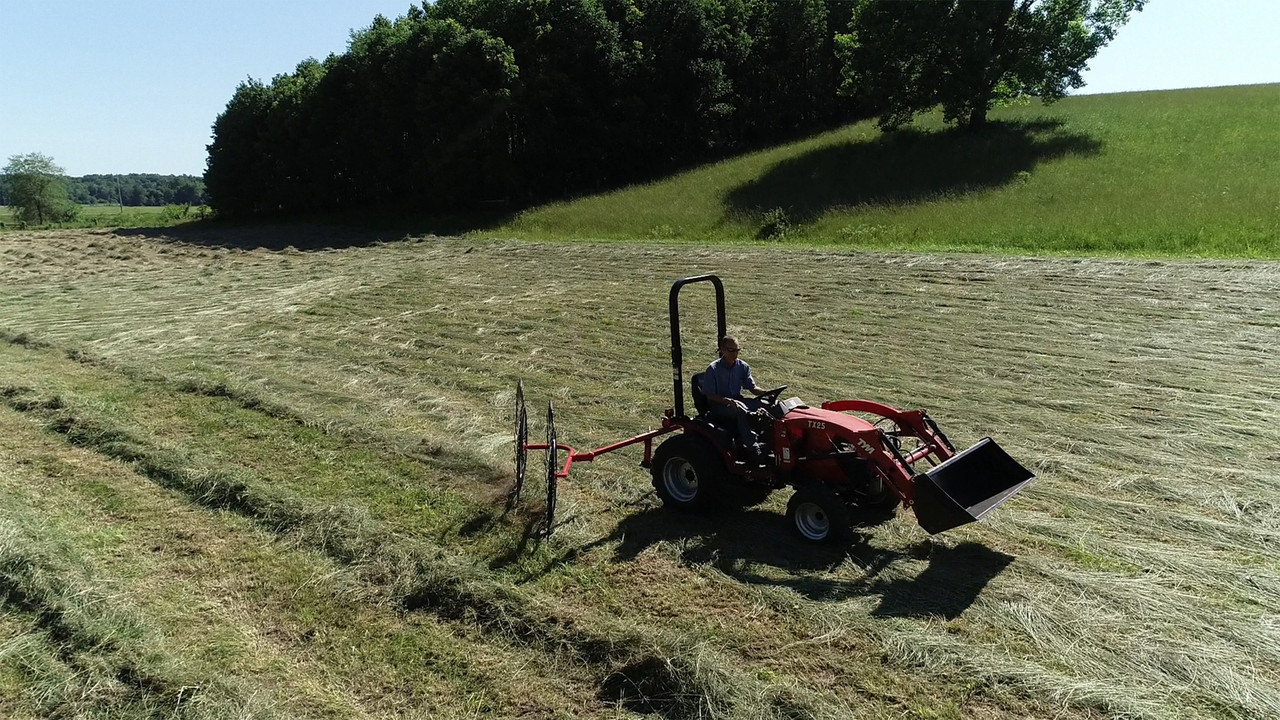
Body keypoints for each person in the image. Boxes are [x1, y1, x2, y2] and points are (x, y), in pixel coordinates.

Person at [699, 335, 769, 454]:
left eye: (737, 350)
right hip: (719, 405)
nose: (735, 354)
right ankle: (752, 446)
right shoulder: (713, 369)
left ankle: (769, 439)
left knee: (766, 404)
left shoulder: (743, 366)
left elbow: (752, 387)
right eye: (731, 350)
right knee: (740, 410)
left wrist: (765, 393)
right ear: (722, 350)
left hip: (737, 400)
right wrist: (727, 401)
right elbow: (709, 395)